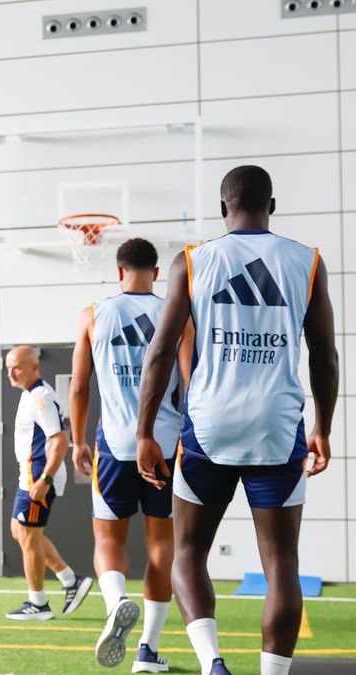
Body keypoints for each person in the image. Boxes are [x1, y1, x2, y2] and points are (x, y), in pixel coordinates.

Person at [136, 165, 338, 675]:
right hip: (278, 427)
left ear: (223, 207)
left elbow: (160, 351)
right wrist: (323, 427)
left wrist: (143, 433)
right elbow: (326, 356)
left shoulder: (193, 260)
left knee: (187, 550)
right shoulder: (307, 261)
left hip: (209, 428)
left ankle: (212, 664)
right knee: (281, 564)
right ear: (273, 204)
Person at [70, 238, 191, 670]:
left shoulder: (93, 314)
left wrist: (79, 440)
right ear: (156, 273)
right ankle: (148, 650)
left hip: (114, 445)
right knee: (162, 547)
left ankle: (117, 599)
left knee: (108, 539)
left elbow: (80, 386)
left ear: (119, 271)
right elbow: (191, 380)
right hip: (167, 444)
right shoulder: (176, 314)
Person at [4, 345, 93, 621]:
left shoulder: (41, 396)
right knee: (19, 531)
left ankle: (38, 604)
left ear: (34, 367)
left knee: (28, 537)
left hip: (38, 475)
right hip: (28, 474)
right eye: (8, 367)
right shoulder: (29, 395)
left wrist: (46, 478)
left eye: (17, 366)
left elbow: (60, 440)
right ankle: (70, 580)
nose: (12, 372)